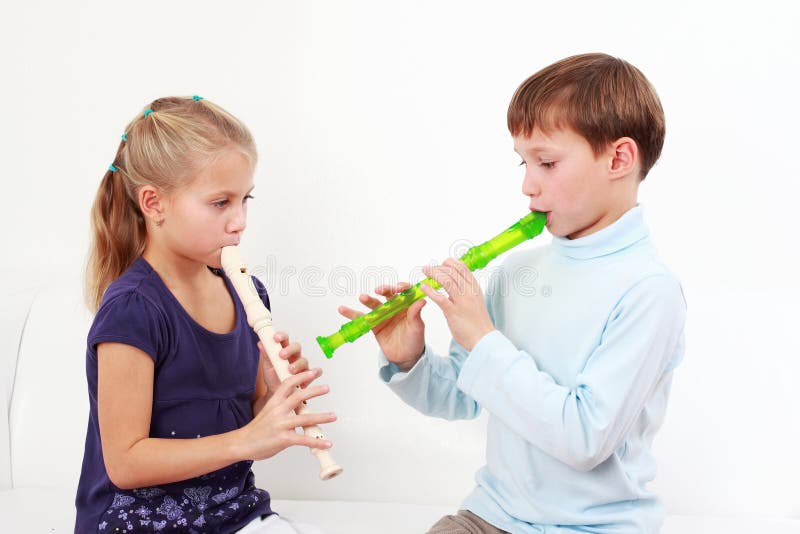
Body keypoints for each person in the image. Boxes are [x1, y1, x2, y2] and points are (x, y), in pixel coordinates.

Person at [339, 53, 686, 533]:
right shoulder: (518, 270)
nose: (527, 185)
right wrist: (409, 360)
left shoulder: (649, 292)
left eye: (547, 162)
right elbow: (462, 395)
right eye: (524, 162)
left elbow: (585, 440)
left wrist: (483, 339)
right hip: (493, 516)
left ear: (618, 159)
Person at [77, 96, 335, 533]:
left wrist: (272, 398)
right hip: (138, 523)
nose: (240, 221)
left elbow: (244, 416)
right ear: (154, 204)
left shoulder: (247, 293)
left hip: (231, 513)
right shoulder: (133, 309)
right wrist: (245, 442)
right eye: (220, 202)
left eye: (245, 199)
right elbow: (124, 462)